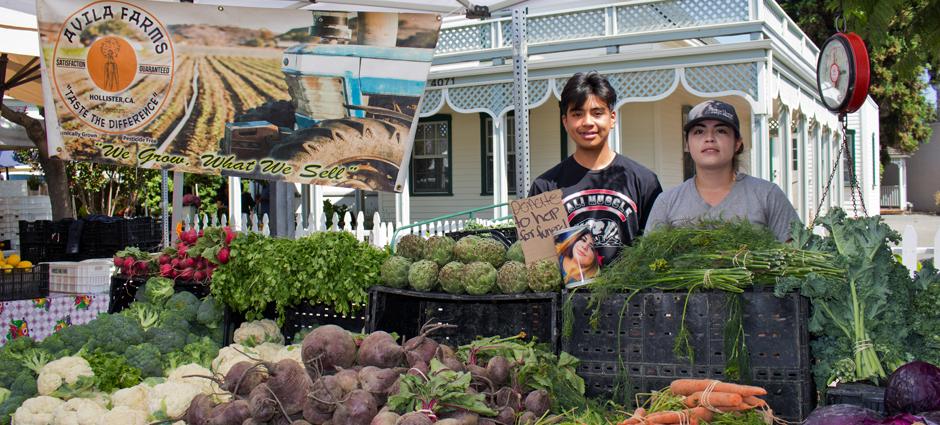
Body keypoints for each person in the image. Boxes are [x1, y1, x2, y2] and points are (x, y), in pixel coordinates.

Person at [529, 71, 663, 265]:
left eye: (597, 113)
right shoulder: (544, 188)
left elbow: (656, 254)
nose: (588, 122)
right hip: (570, 285)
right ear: (565, 121)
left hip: (630, 285)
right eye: (577, 114)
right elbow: (540, 267)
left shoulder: (644, 181)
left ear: (612, 118)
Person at [644, 100, 800, 242]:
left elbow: (797, 253)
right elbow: (649, 259)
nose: (709, 138)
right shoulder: (667, 202)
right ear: (687, 145)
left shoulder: (767, 195)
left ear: (737, 143)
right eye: (699, 131)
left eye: (721, 131)